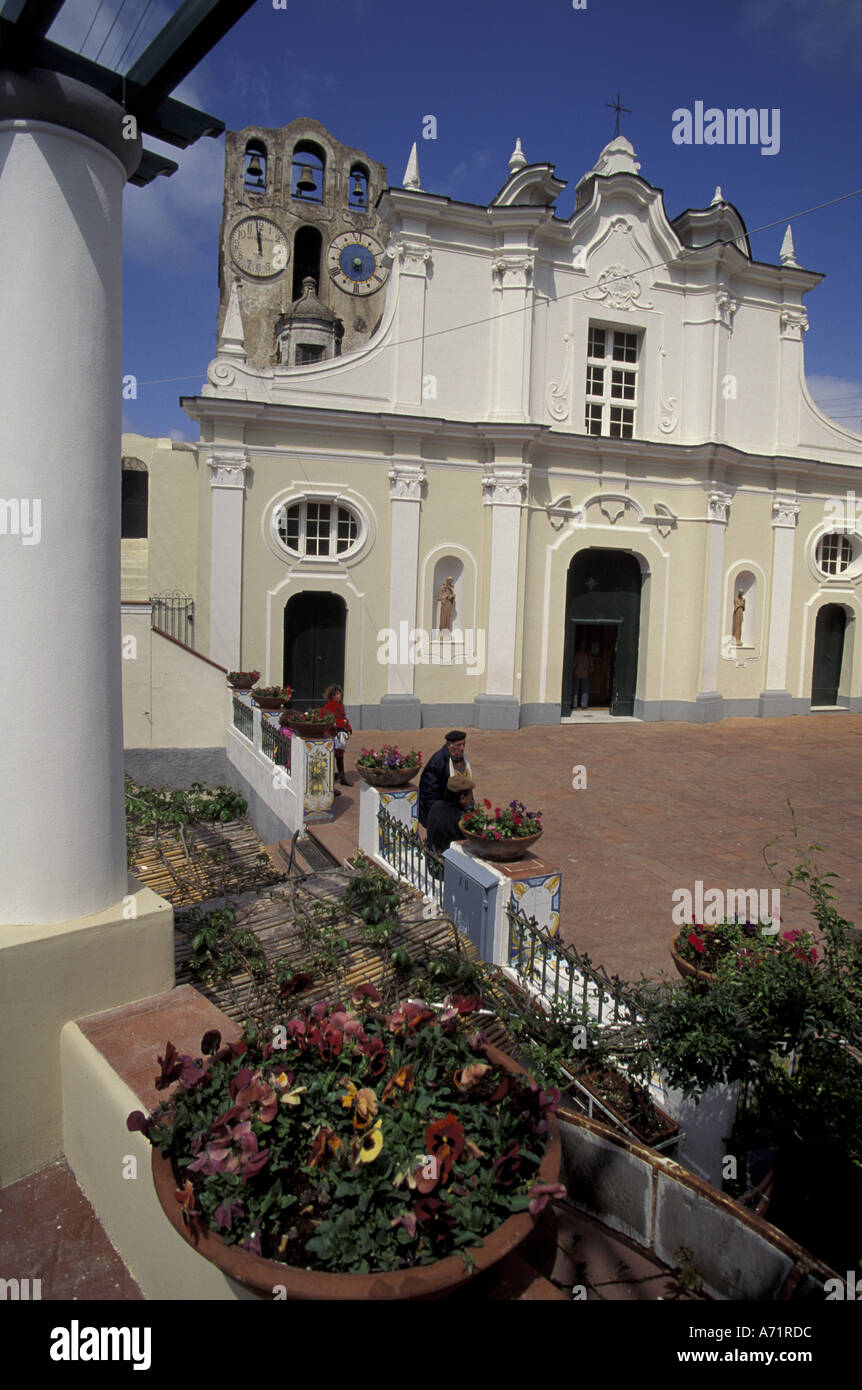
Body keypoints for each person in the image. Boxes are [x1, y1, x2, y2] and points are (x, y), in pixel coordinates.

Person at [417, 729, 473, 827]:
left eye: (464, 745)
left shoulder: (464, 759)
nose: (462, 748)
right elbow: (429, 793)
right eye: (458, 745)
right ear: (449, 746)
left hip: (458, 809)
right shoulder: (437, 762)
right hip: (443, 812)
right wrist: (436, 816)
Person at [425, 775, 475, 855]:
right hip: (445, 862)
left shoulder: (436, 805)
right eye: (469, 795)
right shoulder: (460, 820)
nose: (471, 798)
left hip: (432, 856)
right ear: (462, 798)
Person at [323, 683, 352, 785]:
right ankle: (332, 780)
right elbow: (330, 721)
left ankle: (342, 777)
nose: (338, 696)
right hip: (332, 734)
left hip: (338, 734)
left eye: (339, 694)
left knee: (340, 756)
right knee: (332, 756)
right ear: (332, 696)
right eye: (335, 694)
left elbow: (343, 718)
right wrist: (342, 724)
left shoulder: (340, 705)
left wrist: (348, 728)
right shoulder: (330, 705)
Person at [572, 642, 594, 711]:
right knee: (585, 691)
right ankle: (584, 705)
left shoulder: (576, 655)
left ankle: (574, 705)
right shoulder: (588, 655)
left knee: (575, 690)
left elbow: (573, 665)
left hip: (576, 674)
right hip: (585, 674)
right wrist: (590, 672)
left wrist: (573, 672)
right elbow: (591, 665)